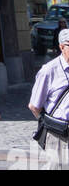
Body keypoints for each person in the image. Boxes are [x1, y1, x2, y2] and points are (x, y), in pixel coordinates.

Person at [28, 27, 69, 169]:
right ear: (62, 46)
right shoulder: (48, 71)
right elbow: (34, 106)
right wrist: (49, 124)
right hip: (58, 134)